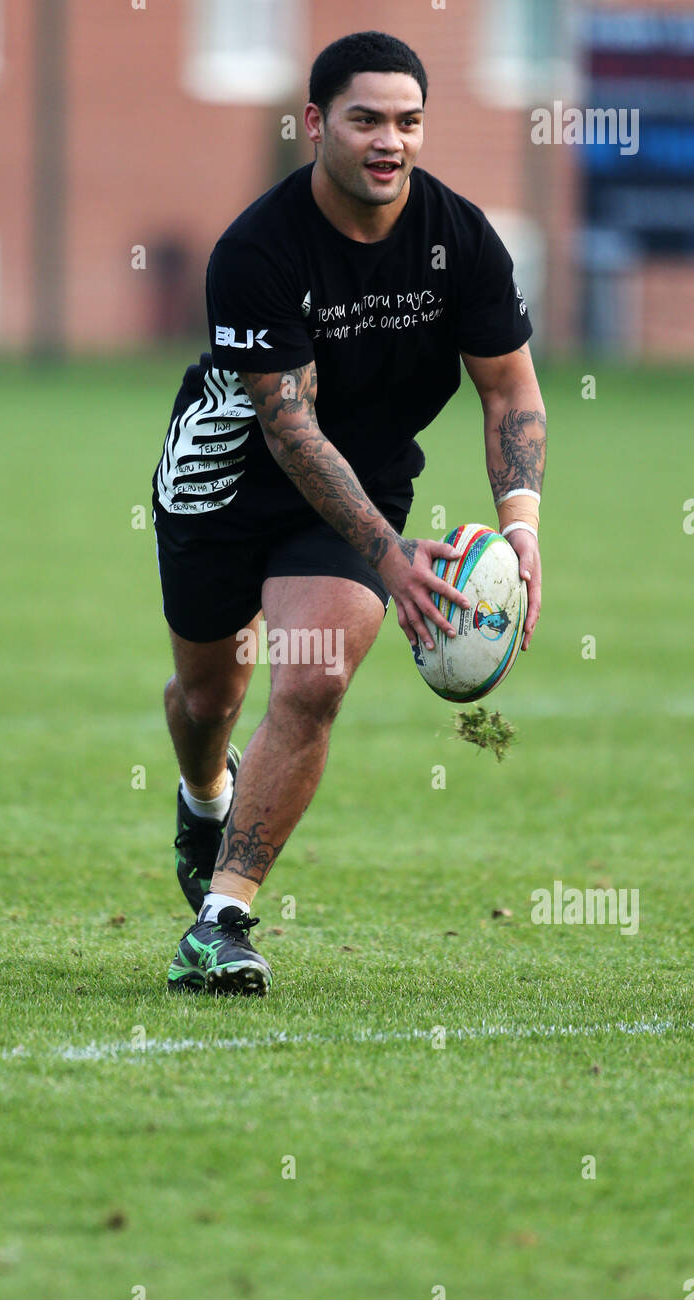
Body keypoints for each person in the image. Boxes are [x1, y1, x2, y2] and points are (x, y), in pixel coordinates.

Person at [152, 30, 546, 996]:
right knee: (208, 698)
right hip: (228, 476)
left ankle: (224, 917)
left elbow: (511, 390)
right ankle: (206, 795)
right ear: (315, 122)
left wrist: (522, 524)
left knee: (313, 681)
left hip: (357, 486)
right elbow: (286, 426)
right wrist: (392, 555)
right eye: (366, 118)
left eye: (408, 121)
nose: (390, 141)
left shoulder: (463, 243)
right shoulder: (257, 248)